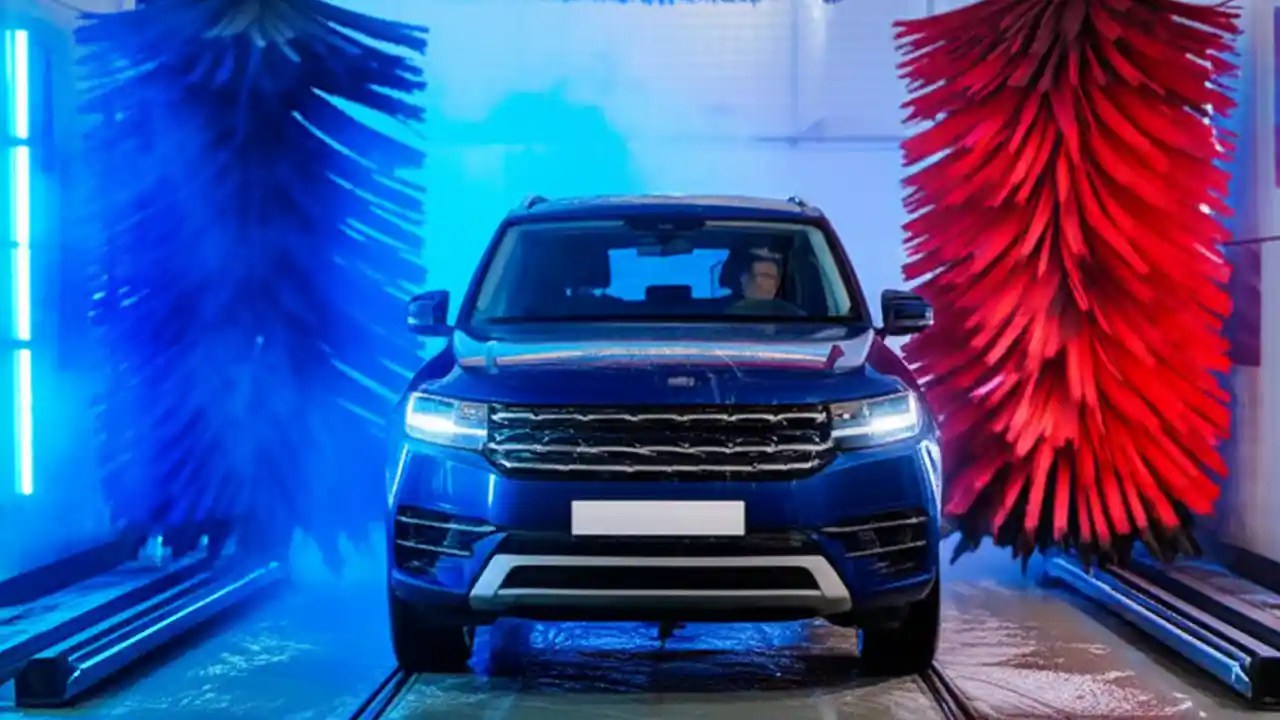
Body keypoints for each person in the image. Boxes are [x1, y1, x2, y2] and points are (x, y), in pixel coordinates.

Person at [728, 253, 803, 316]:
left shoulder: (793, 315)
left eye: (773, 278)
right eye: (764, 276)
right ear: (744, 278)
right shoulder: (727, 317)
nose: (771, 283)